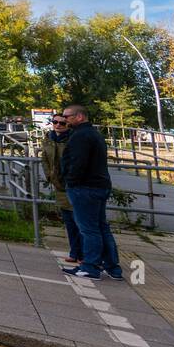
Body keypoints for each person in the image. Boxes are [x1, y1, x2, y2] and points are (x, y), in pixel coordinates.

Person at [60, 103, 122, 280]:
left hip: (84, 188)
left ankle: (90, 266)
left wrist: (71, 182)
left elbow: (78, 163)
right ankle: (112, 267)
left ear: (79, 116)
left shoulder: (81, 136)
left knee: (89, 229)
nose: (65, 120)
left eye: (67, 116)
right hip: (99, 186)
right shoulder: (94, 134)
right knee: (101, 227)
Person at [39, 113, 82, 264]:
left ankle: (83, 254)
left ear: (68, 125)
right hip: (59, 185)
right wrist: (49, 175)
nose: (58, 125)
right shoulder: (49, 138)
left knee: (79, 220)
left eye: (62, 123)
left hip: (72, 184)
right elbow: (44, 158)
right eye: (55, 122)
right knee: (69, 221)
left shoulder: (73, 139)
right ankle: (75, 252)